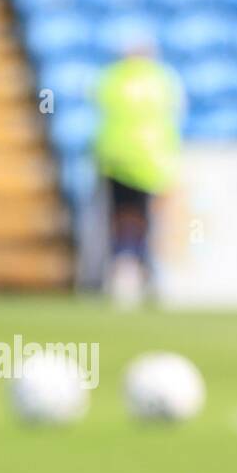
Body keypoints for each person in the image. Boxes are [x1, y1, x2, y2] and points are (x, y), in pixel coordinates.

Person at [93, 37, 184, 308]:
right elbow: (175, 115)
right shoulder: (163, 79)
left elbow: (99, 105)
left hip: (117, 160)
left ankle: (123, 275)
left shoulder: (112, 78)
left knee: (120, 220)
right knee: (147, 222)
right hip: (150, 163)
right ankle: (146, 275)